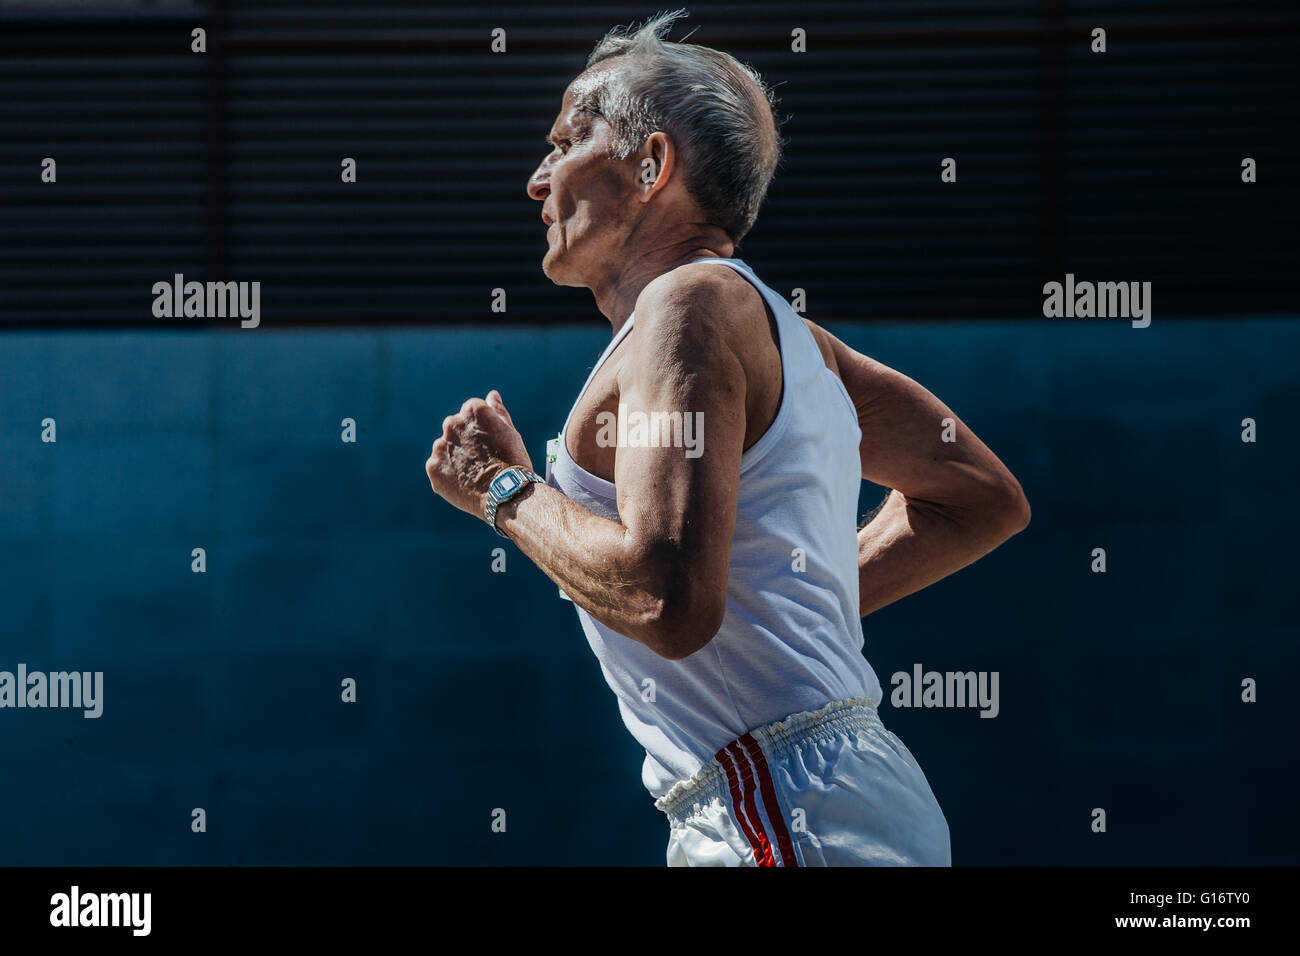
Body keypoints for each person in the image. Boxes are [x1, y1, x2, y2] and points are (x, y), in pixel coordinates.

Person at [425, 11, 1029, 866]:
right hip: (821, 799)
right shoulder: (793, 337)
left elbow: (664, 601)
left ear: (651, 165)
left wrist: (501, 489)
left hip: (781, 806)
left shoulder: (687, 306)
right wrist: (787, 605)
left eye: (565, 142)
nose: (537, 178)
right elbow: (978, 499)